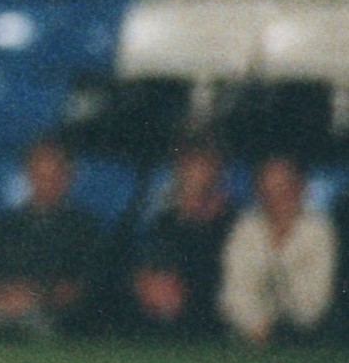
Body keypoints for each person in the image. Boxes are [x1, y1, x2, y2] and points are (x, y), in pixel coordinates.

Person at [0, 137, 103, 337]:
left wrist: (34, 295)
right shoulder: (6, 223)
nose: (45, 184)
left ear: (68, 177)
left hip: (43, 308)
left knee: (35, 318)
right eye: (39, 176)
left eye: (53, 177)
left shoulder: (85, 227)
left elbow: (77, 289)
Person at [219, 156, 336, 346]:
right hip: (250, 336)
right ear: (258, 191)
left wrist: (281, 330)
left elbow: (317, 299)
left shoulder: (318, 231)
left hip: (307, 338)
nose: (277, 197)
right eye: (269, 189)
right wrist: (256, 325)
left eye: (285, 187)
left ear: (300, 187)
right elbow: (234, 292)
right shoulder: (245, 229)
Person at [126, 135, 234, 336]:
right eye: (185, 165)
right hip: (165, 309)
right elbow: (151, 261)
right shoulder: (166, 220)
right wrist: (144, 282)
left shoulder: (231, 219)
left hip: (211, 311)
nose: (191, 173)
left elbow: (223, 276)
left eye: (201, 165)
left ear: (216, 171)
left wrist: (184, 290)